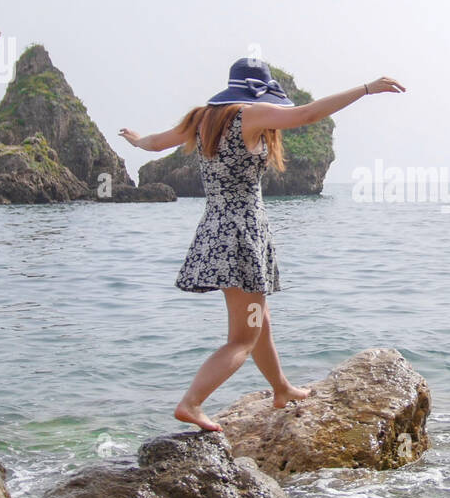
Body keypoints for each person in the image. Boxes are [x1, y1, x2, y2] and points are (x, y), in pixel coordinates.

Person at [120, 58, 405, 430]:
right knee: (242, 338)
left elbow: (156, 143)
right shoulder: (249, 115)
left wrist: (137, 140)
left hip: (217, 230)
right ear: (260, 91)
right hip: (242, 236)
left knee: (259, 320)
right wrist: (365, 89)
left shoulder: (202, 118)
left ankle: (281, 388)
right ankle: (191, 403)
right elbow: (306, 115)